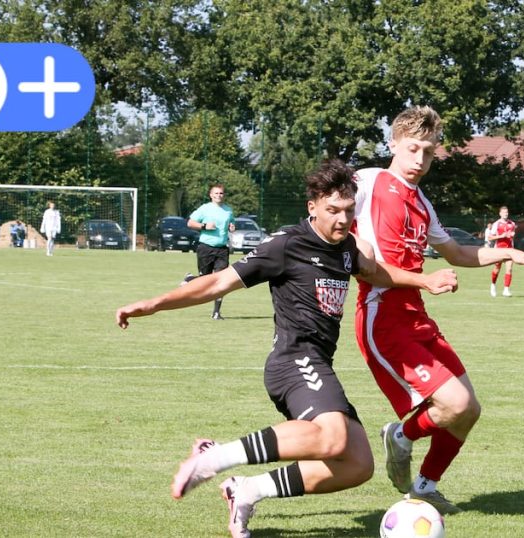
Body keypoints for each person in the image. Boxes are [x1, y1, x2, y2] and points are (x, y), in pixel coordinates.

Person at [116, 160, 458, 538]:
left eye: (348, 210)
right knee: (333, 438)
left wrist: (423, 280)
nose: (342, 220)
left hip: (318, 365)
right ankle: (213, 458)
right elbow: (217, 284)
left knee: (357, 466)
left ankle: (247, 490)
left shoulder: (345, 247)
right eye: (332, 211)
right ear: (312, 206)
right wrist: (152, 304)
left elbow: (373, 272)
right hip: (293, 361)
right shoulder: (285, 244)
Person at [352, 106, 524, 515]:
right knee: (453, 404)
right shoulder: (367, 181)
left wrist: (508, 252)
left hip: (416, 313)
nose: (420, 161)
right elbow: (322, 209)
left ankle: (424, 486)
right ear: (393, 144)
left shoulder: (422, 201)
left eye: (428, 152)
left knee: (468, 410)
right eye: (412, 149)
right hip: (381, 313)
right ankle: (400, 436)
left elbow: (457, 252)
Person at [185, 184, 237, 320]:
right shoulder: (205, 209)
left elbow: (231, 224)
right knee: (205, 281)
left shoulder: (228, 210)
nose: (219, 196)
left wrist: (232, 227)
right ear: (211, 195)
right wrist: (204, 226)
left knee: (222, 281)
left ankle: (216, 312)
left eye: (221, 193)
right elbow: (190, 223)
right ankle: (190, 279)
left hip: (222, 249)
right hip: (206, 247)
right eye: (216, 193)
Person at [487, 206, 517, 297]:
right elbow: (490, 237)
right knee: (497, 269)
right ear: (500, 214)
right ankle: (493, 285)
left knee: (509, 269)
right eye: (504, 212)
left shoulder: (512, 223)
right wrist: (501, 236)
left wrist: (512, 235)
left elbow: (512, 235)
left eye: (507, 212)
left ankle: (506, 290)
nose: (506, 214)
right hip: (499, 250)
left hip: (509, 250)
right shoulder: (496, 224)